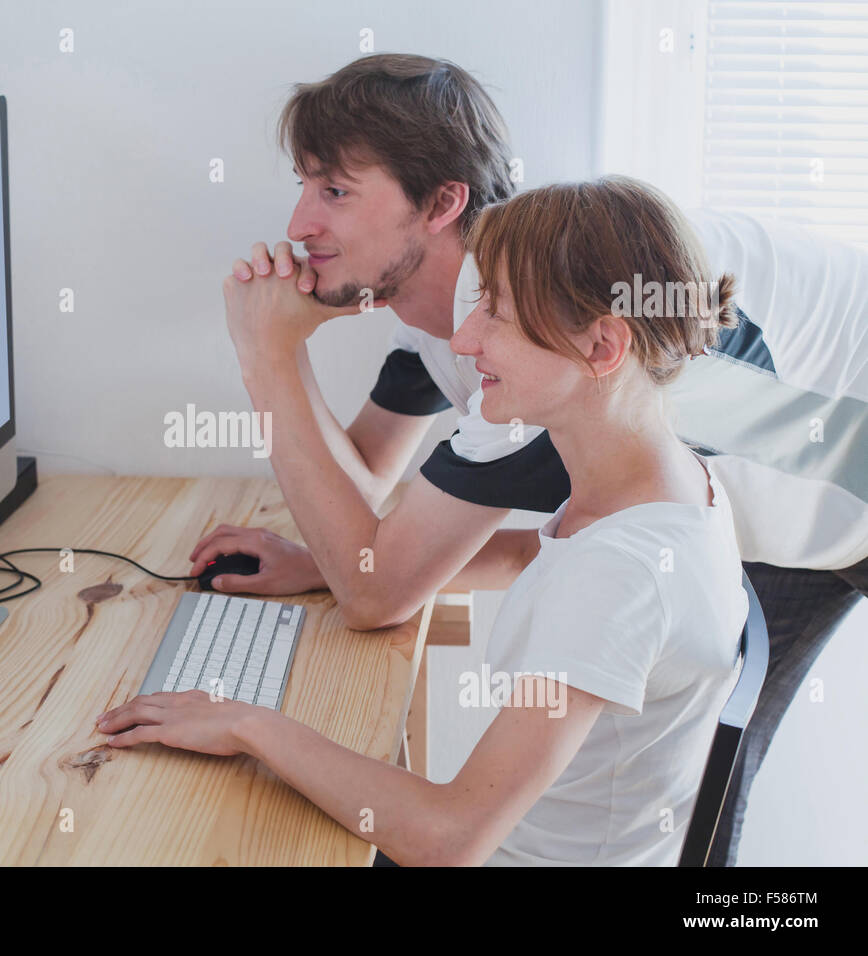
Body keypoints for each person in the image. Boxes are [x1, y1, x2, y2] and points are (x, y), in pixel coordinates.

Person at [187, 53, 868, 865]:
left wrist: (264, 360)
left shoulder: (546, 343)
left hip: (833, 487)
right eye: (304, 184)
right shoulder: (496, 307)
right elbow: (366, 493)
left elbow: (377, 588)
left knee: (679, 793)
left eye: (335, 190)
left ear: (443, 205)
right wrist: (320, 544)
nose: (299, 223)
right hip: (710, 507)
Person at [99, 178, 748, 866]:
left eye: (496, 313)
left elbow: (449, 838)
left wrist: (245, 723)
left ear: (601, 347)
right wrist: (324, 567)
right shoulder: (663, 482)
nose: (464, 340)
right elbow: (539, 554)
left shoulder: (621, 577)